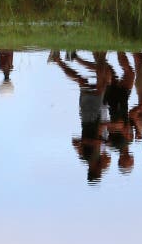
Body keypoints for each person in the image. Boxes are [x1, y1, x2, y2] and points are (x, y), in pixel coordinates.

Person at [48, 50, 113, 183]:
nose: (101, 171)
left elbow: (75, 142)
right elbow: (105, 151)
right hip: (93, 116)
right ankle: (59, 60)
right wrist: (100, 144)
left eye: (99, 173)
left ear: (94, 171)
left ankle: (98, 55)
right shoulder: (96, 159)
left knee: (97, 83)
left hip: (89, 117)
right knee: (85, 82)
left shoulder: (86, 157)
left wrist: (94, 142)